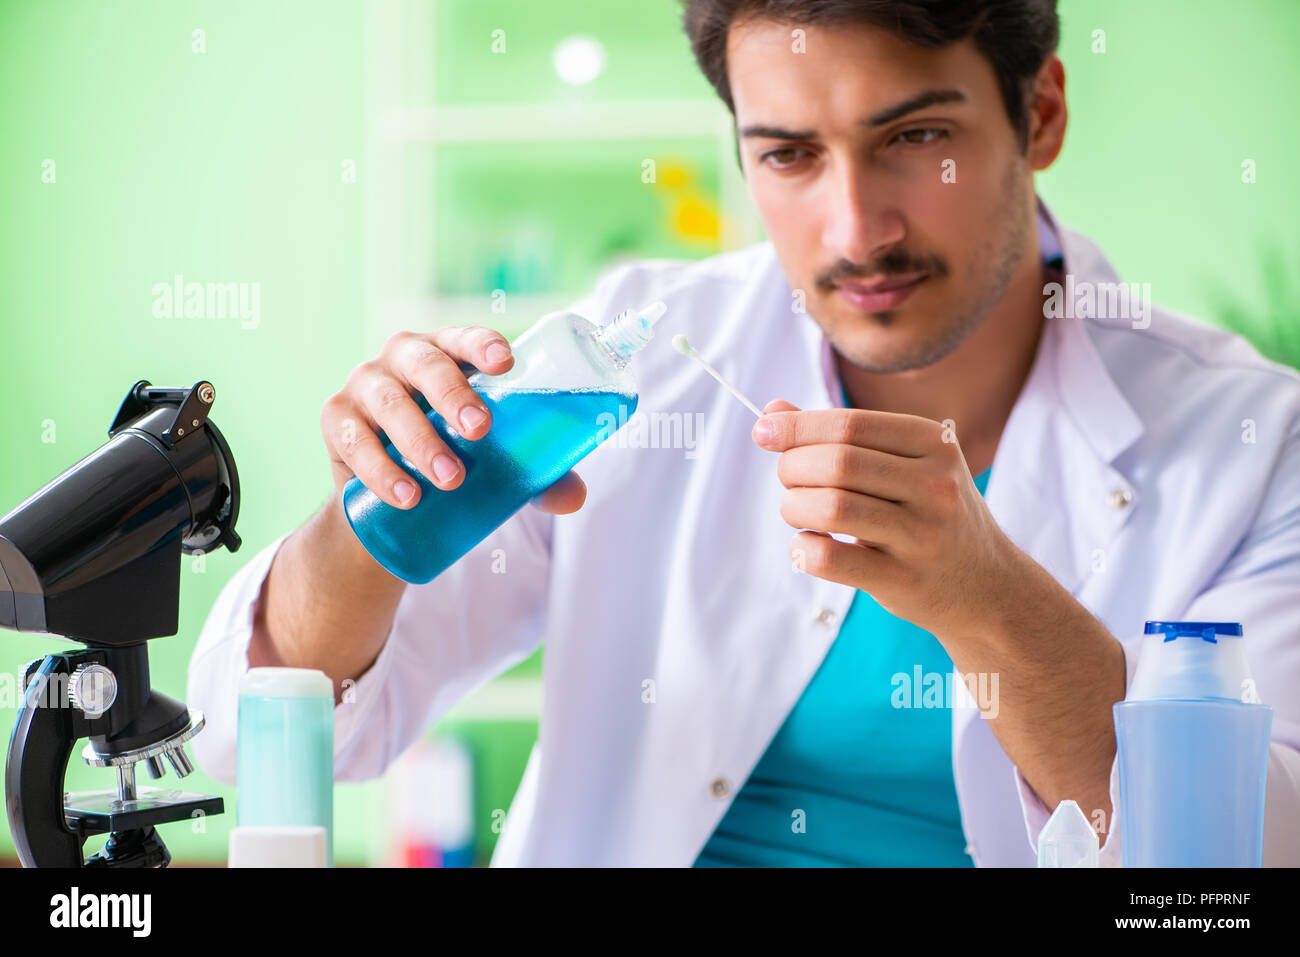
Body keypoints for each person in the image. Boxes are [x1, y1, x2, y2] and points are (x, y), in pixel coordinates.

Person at [188, 0, 1300, 866]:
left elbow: (1237, 864)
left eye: (915, 136)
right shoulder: (643, 361)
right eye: (788, 154)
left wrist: (986, 597)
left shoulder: (1249, 440)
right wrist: (368, 510)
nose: (855, 228)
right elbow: (266, 736)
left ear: (1039, 114)